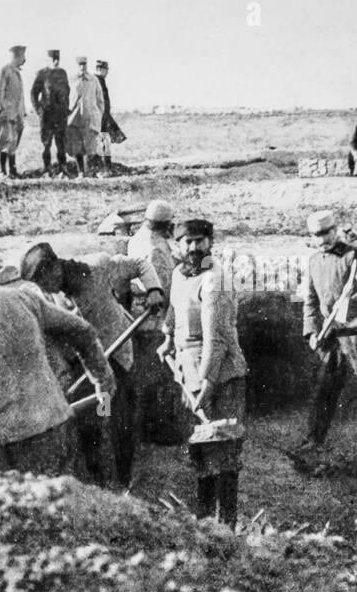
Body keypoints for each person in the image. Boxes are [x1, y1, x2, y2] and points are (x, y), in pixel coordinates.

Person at [0, 252, 115, 475]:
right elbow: (82, 330)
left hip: (13, 445)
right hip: (59, 423)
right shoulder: (22, 297)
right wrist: (103, 380)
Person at [25, 243, 166, 486]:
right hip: (85, 365)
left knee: (117, 418)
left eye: (44, 280)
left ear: (56, 268)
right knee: (91, 422)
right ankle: (97, 483)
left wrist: (153, 289)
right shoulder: (47, 295)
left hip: (118, 356)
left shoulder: (98, 266)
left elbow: (140, 263)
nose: (44, 288)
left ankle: (124, 481)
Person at [158, 218, 248, 527]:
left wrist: (208, 383)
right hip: (189, 374)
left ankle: (227, 525)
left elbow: (216, 338)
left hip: (220, 377)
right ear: (177, 245)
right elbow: (174, 307)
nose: (195, 248)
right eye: (188, 242)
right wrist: (168, 336)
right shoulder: (179, 274)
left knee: (223, 449)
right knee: (200, 449)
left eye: (201, 241)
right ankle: (205, 522)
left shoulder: (216, 278)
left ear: (210, 242)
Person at [298, 210, 357, 452]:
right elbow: (309, 298)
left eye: (326, 233)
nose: (322, 240)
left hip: (356, 334)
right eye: (316, 235)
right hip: (331, 338)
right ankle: (314, 440)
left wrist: (345, 310)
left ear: (335, 230)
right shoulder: (313, 262)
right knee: (324, 388)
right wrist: (311, 330)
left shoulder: (354, 258)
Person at [129, 200, 186, 444]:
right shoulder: (154, 248)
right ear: (164, 225)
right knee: (159, 376)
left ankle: (149, 427)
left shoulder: (137, 238)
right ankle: (157, 430)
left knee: (147, 375)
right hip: (155, 320)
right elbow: (165, 285)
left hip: (141, 317)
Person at [30, 49, 70, 177]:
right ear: (48, 60)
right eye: (53, 59)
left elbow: (67, 92)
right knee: (46, 144)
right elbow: (33, 93)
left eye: (57, 59)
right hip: (47, 115)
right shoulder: (42, 74)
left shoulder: (63, 73)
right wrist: (39, 110)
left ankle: (63, 168)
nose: (56, 62)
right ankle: (47, 168)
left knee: (61, 143)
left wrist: (66, 109)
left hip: (60, 115)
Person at [0, 45, 27, 179]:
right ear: (16, 57)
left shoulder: (17, 72)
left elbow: (19, 95)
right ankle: (2, 171)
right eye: (22, 57)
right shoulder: (5, 70)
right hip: (7, 113)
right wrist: (1, 109)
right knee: (5, 141)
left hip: (16, 114)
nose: (24, 60)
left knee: (13, 142)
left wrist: (22, 111)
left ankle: (12, 170)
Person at [66, 56, 104, 178]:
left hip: (90, 118)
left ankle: (91, 172)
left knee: (90, 147)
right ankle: (80, 172)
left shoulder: (93, 80)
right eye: (80, 65)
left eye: (84, 65)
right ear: (77, 66)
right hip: (75, 118)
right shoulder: (71, 80)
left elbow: (100, 101)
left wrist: (98, 115)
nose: (82, 67)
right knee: (77, 146)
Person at [94, 60, 126, 173]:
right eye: (106, 70)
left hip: (103, 117)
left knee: (104, 143)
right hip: (100, 118)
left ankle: (105, 167)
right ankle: (105, 168)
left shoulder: (99, 80)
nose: (107, 72)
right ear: (101, 69)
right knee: (103, 143)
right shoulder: (97, 81)